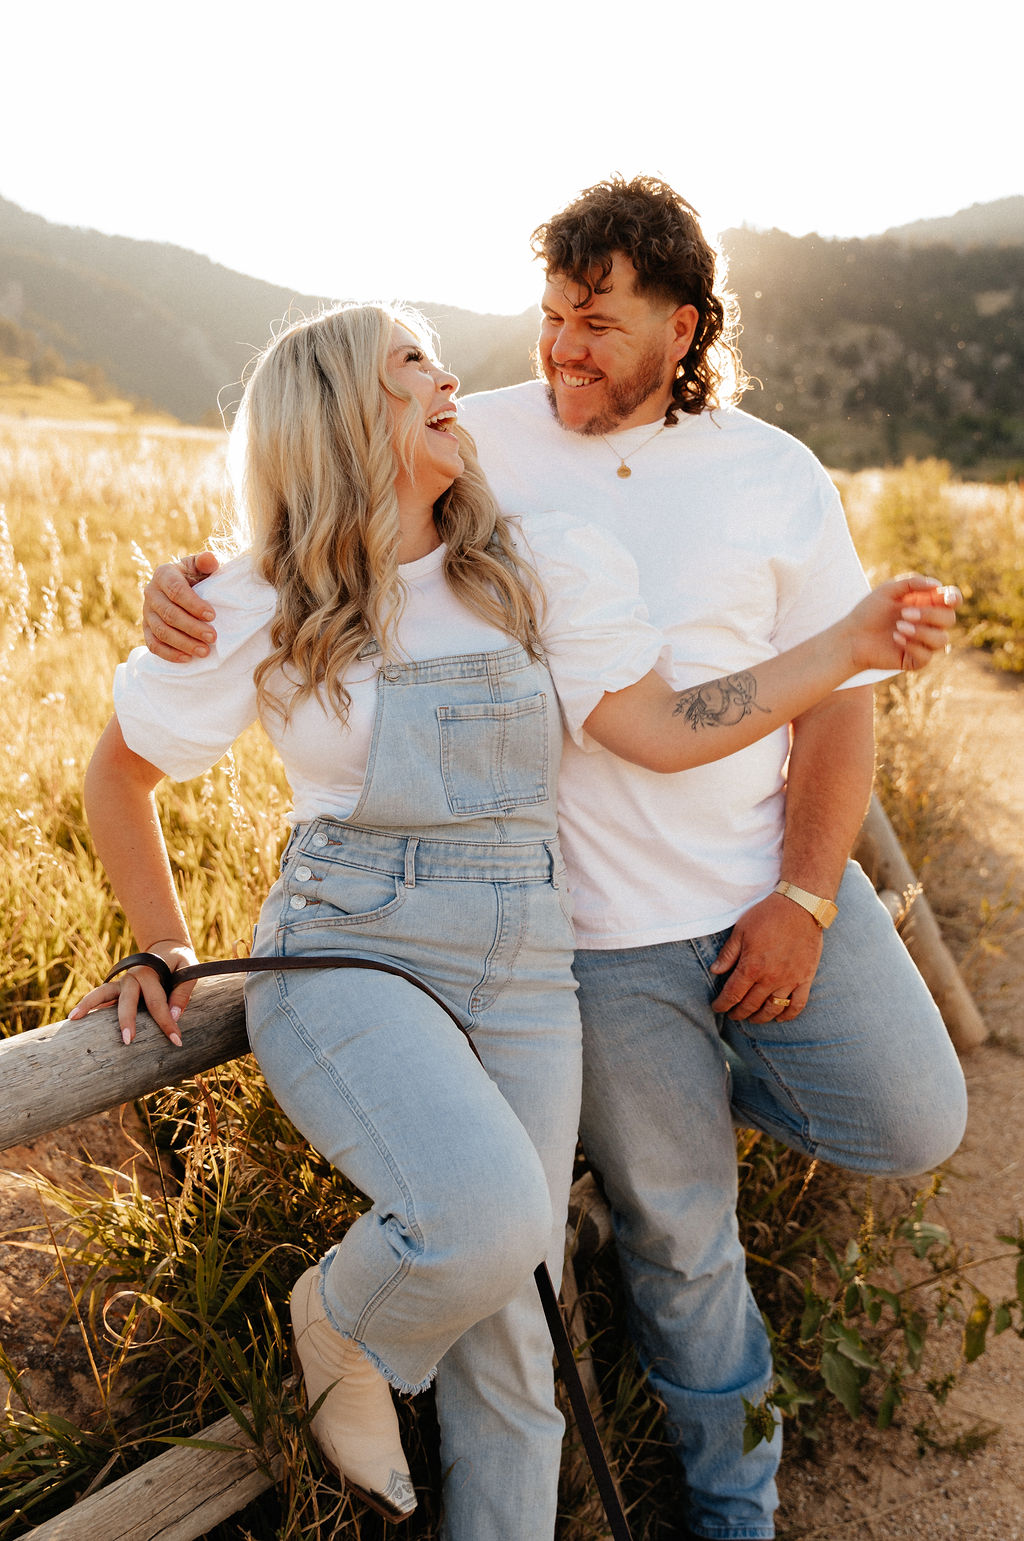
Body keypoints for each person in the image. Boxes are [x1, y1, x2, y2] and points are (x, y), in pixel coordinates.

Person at [140, 180, 969, 1541]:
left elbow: (838, 705)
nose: (562, 350)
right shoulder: (483, 438)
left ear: (684, 326)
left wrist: (807, 896)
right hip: (585, 945)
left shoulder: (775, 472)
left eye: (599, 323)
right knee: (685, 1244)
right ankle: (733, 1512)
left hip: (764, 884)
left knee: (917, 1114)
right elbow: (319, 489)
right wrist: (178, 586)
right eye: (550, 318)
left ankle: (691, 1100)